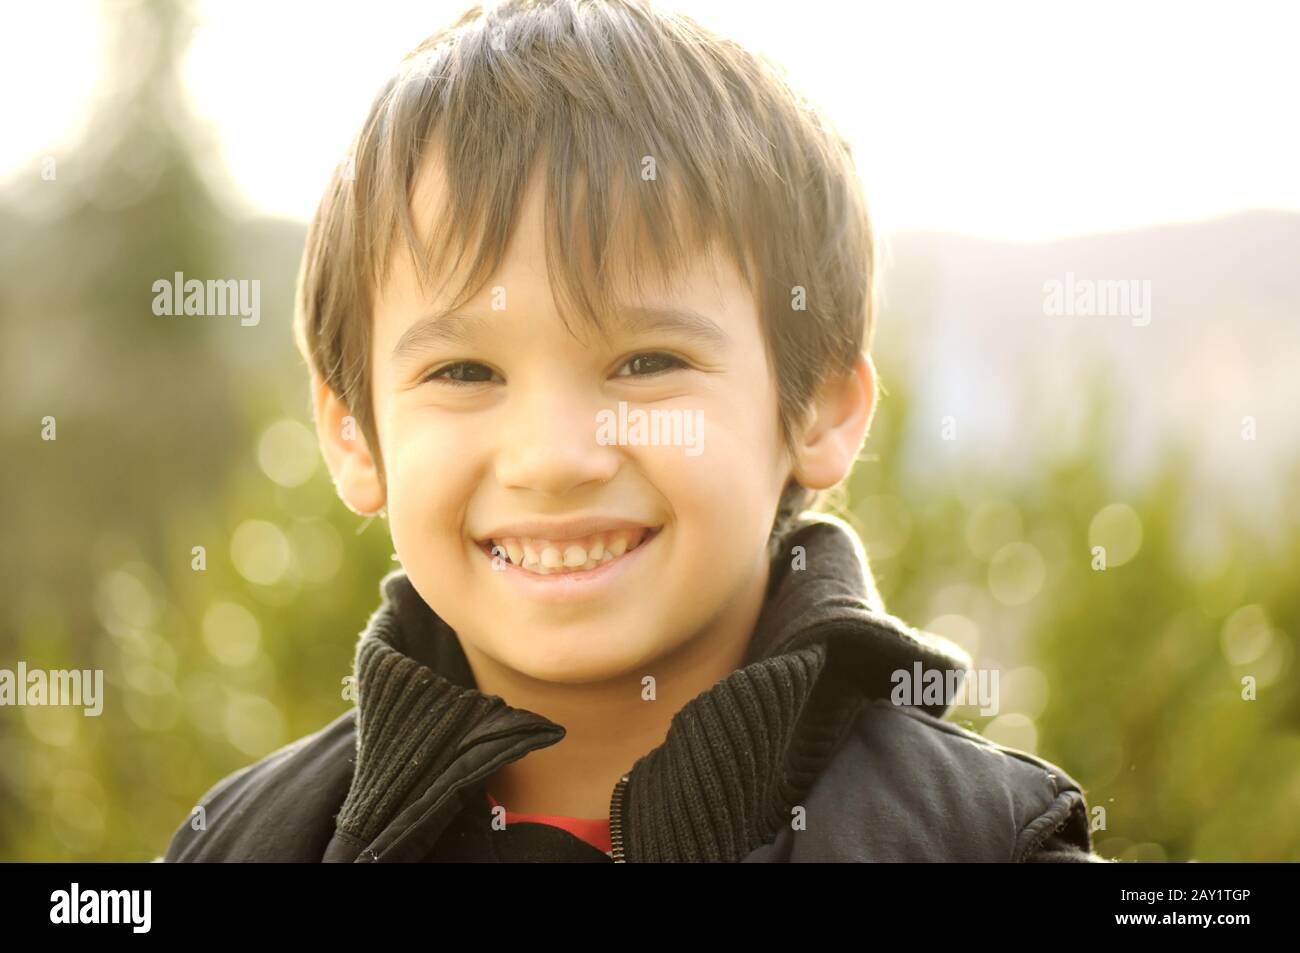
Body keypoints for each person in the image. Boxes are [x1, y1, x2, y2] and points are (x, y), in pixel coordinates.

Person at [164, 0, 1105, 862]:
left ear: (818, 408)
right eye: (465, 372)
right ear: (354, 437)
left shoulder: (983, 846)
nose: (555, 457)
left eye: (646, 364)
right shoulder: (243, 844)